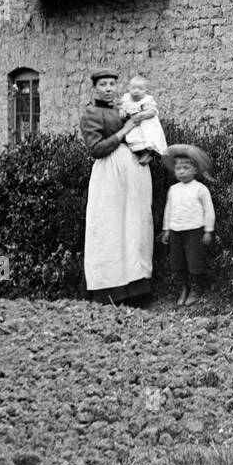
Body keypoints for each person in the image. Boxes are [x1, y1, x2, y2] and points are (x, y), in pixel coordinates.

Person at [80, 69, 156, 305]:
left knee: (135, 224)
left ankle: (137, 288)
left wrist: (149, 149)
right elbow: (97, 149)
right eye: (103, 84)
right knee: (109, 227)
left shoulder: (122, 108)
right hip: (109, 176)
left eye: (112, 84)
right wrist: (126, 129)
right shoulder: (92, 114)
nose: (109, 88)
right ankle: (109, 290)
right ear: (95, 88)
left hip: (132, 172)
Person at [160, 144, 216, 306]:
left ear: (195, 170)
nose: (182, 171)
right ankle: (183, 288)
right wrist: (166, 229)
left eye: (186, 167)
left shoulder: (200, 189)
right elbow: (168, 210)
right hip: (176, 231)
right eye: (178, 168)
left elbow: (209, 211)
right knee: (177, 262)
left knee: (194, 260)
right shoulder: (173, 189)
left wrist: (208, 230)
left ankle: (197, 288)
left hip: (194, 231)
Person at [118, 75, 168, 163]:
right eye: (133, 88)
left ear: (145, 91)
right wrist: (122, 111)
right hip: (135, 125)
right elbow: (123, 108)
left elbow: (153, 112)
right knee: (133, 140)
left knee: (147, 139)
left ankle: (149, 153)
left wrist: (141, 115)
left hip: (146, 125)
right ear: (129, 89)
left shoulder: (146, 100)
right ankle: (142, 153)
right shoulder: (127, 100)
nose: (136, 91)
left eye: (140, 89)